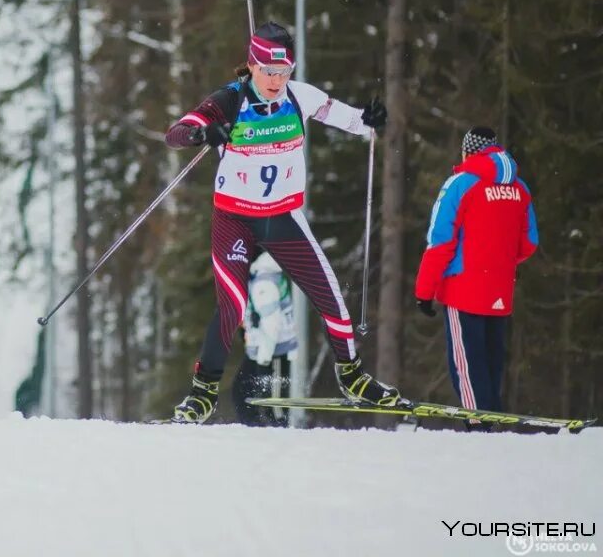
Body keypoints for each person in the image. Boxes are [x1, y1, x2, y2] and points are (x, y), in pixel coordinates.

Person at [164, 21, 398, 423]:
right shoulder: (230, 100)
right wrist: (205, 134)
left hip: (282, 217)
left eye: (284, 71)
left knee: (332, 300)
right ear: (252, 66)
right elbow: (176, 133)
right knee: (233, 306)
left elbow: (353, 120)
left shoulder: (300, 97)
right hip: (235, 219)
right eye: (269, 71)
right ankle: (203, 394)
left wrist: (371, 118)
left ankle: (353, 377)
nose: (276, 80)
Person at [414, 127, 538, 420]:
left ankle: (480, 427)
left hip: (463, 290)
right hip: (499, 289)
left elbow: (440, 242)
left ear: (467, 152)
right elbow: (530, 243)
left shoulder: (459, 185)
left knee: (467, 367)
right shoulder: (520, 188)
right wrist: (499, 262)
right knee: (492, 363)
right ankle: (494, 422)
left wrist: (424, 291)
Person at [232, 252, 297, 427]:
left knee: (272, 406)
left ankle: (277, 435)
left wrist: (263, 361)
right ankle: (255, 431)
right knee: (242, 392)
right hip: (263, 350)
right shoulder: (259, 277)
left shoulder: (264, 282)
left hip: (273, 354)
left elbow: (271, 324)